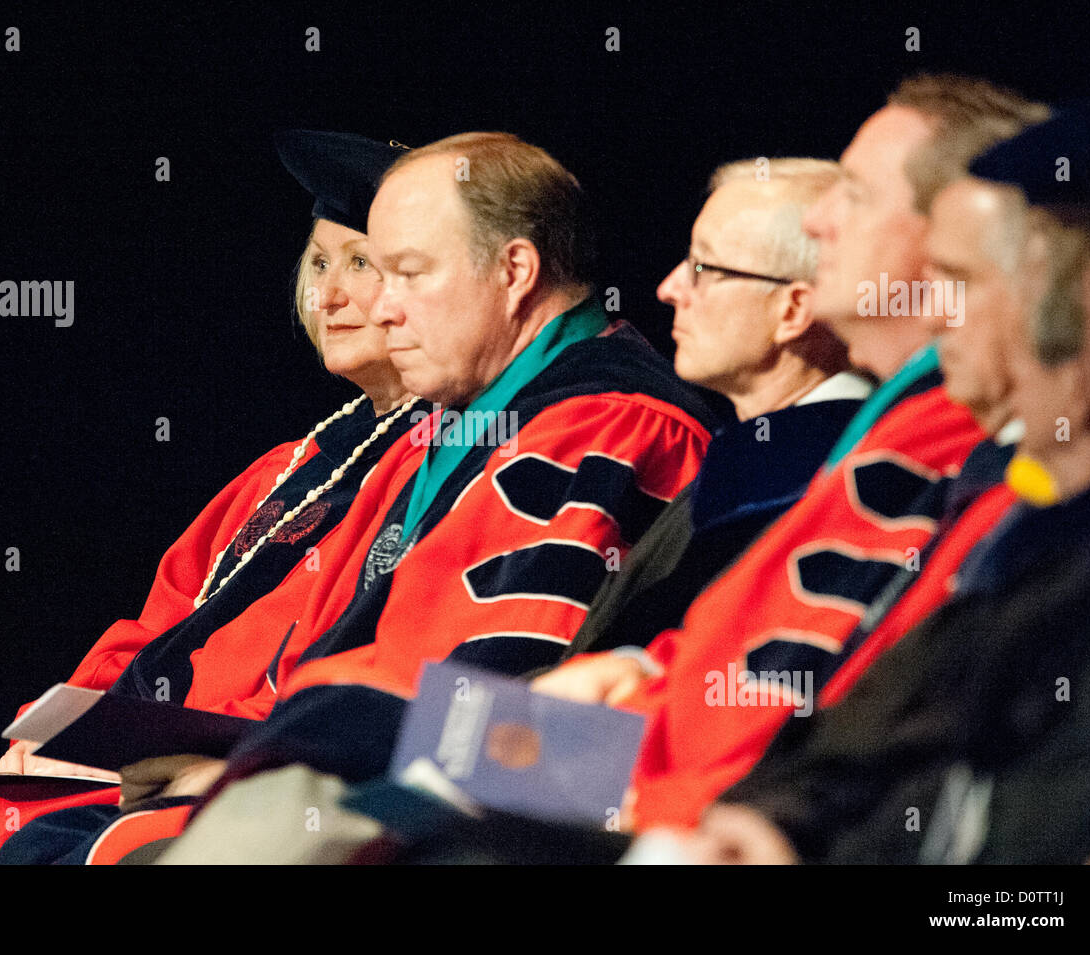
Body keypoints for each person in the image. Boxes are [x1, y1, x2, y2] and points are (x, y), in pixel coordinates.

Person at [42, 130, 733, 864]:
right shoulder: (477, 421)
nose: (383, 308)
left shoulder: (601, 423)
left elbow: (507, 709)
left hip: (469, 812)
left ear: (514, 271)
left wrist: (266, 766)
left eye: (405, 272)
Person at [0, 130, 432, 864]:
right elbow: (159, 621)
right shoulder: (285, 467)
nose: (328, 293)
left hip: (236, 776)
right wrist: (54, 729)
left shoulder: (444, 460)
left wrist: (156, 756)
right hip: (137, 762)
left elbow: (350, 679)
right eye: (320, 261)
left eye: (358, 263)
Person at [532, 74, 1046, 837]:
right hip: (654, 767)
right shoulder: (889, 426)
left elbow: (818, 713)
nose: (821, 220)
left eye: (858, 195)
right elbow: (754, 644)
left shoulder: (952, 440)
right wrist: (648, 669)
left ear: (949, 236)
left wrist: (635, 789)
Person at [689, 84, 1090, 865]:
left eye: (969, 279)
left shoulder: (974, 459)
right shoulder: (1043, 533)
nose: (951, 311)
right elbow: (906, 725)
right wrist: (771, 825)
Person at [553, 157, 870, 665]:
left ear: (792, 311)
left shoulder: (812, 483)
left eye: (704, 268)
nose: (669, 288)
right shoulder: (751, 460)